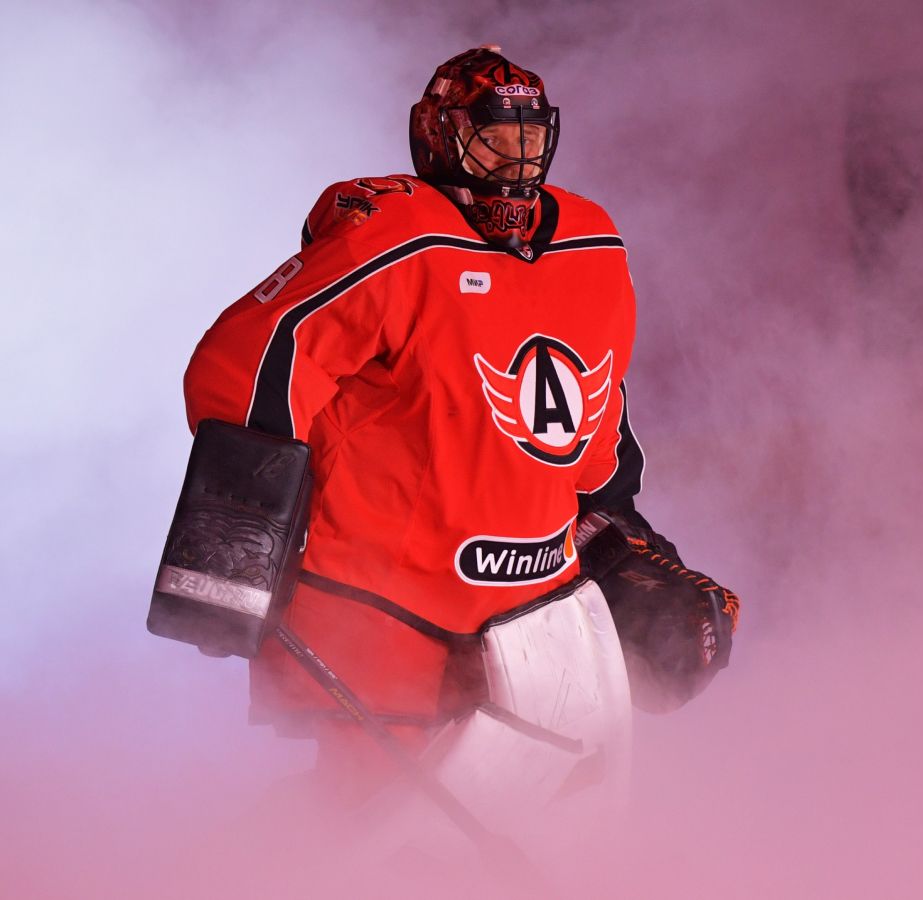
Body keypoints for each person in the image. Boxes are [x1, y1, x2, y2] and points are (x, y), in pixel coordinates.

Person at [180, 46, 738, 809]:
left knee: (536, 823)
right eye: (492, 140)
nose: (513, 164)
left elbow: (587, 425)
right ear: (440, 138)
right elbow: (245, 361)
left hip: (532, 620)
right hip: (378, 613)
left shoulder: (592, 244)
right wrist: (232, 543)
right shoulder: (396, 234)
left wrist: (620, 540)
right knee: (371, 824)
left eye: (528, 141)